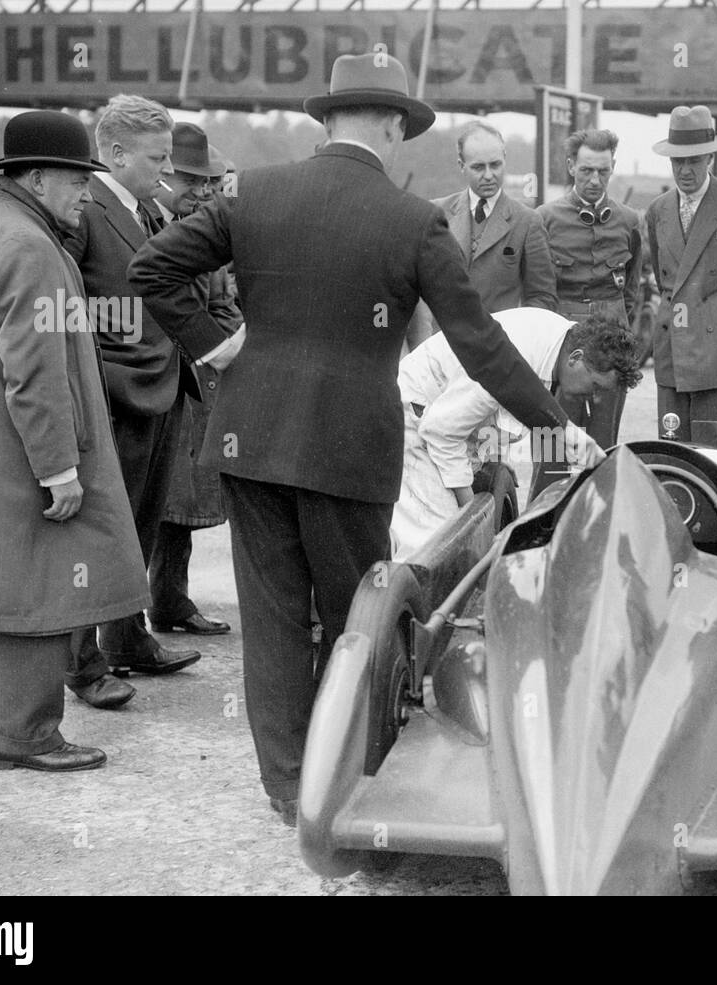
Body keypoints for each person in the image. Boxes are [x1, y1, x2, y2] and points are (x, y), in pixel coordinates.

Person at [127, 53, 605, 826]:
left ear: (326, 119)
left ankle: (286, 786)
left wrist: (217, 346)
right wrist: (558, 426)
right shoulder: (414, 221)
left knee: (274, 618)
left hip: (251, 439)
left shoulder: (255, 192)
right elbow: (480, 343)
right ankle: (339, 765)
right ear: (391, 124)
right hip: (350, 451)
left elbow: (151, 269)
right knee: (353, 615)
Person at [0, 111, 148, 771]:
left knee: (1, 590)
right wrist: (59, 469)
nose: (86, 192)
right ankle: (28, 734)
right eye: (78, 178)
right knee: (41, 590)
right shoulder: (29, 245)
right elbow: (35, 371)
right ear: (40, 176)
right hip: (23, 454)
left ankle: (2, 728)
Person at [63, 95, 202, 708]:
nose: (166, 171)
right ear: (115, 154)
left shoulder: (151, 213)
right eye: (156, 158)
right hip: (120, 395)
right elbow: (65, 315)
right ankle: (80, 660)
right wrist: (103, 381)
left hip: (165, 388)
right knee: (100, 533)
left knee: (141, 523)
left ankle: (126, 637)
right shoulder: (83, 213)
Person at [394, 309, 641, 556]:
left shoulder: (559, 341)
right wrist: (472, 514)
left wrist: (490, 457)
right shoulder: (512, 359)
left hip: (439, 421)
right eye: (595, 386)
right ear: (576, 358)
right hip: (414, 426)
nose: (596, 399)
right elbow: (441, 432)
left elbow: (488, 413)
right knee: (437, 549)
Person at [147, 124, 240, 636]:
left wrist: (233, 348)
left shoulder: (206, 234)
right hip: (164, 379)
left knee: (182, 503)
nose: (205, 192)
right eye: (195, 181)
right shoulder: (152, 229)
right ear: (166, 175)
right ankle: (155, 607)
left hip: (201, 382)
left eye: (211, 183)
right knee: (164, 500)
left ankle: (169, 600)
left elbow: (222, 303)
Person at [535, 128, 643, 490]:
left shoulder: (629, 221)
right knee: (552, 439)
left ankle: (600, 513)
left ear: (612, 168)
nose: (594, 180)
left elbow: (632, 289)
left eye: (603, 171)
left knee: (604, 442)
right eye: (585, 171)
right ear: (570, 167)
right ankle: (543, 514)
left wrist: (623, 335)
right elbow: (540, 291)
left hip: (613, 339)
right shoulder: (546, 219)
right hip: (564, 342)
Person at [644, 105, 717, 441]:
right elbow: (666, 281)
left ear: (710, 159)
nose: (685, 170)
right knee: (675, 454)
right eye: (677, 161)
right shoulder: (658, 210)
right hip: (672, 354)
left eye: (693, 160)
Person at [407, 121, 557, 348]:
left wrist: (518, 340)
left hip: (499, 351)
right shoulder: (435, 214)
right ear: (461, 165)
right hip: (442, 350)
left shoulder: (527, 222)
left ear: (505, 159)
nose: (489, 175)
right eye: (478, 167)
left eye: (495, 165)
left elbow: (542, 297)